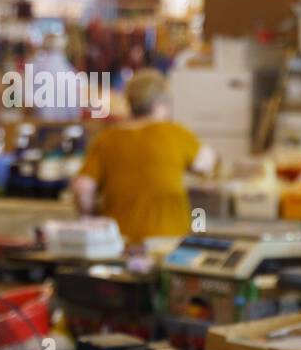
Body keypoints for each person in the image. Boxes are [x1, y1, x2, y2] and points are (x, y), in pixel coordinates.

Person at [71, 69, 215, 244]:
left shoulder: (107, 139)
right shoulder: (176, 134)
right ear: (160, 105)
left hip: (119, 240)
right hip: (170, 240)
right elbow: (206, 163)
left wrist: (91, 217)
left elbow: (82, 187)